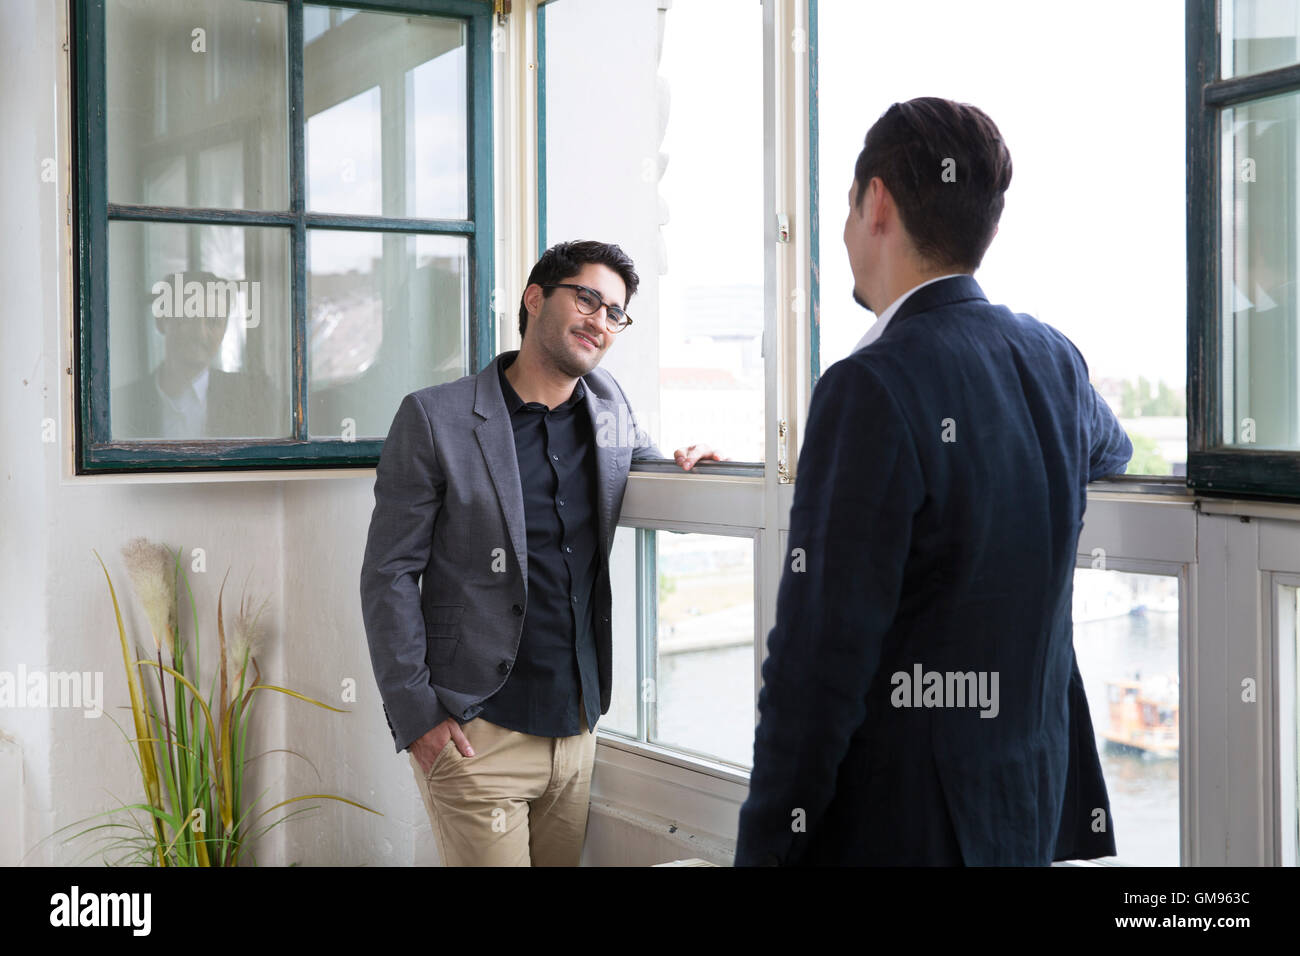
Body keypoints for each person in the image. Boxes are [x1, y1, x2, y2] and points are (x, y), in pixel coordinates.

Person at [734, 97, 1133, 866]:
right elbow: (1106, 450)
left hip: (905, 827)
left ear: (875, 202)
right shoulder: (1053, 358)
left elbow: (817, 666)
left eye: (849, 206)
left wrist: (766, 849)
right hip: (1027, 804)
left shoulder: (870, 385)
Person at [360, 240, 723, 866]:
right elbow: (389, 573)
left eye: (615, 313)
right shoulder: (435, 417)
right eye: (587, 299)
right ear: (535, 299)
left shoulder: (609, 408)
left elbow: (646, 464)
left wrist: (686, 467)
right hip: (479, 733)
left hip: (576, 730)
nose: (600, 322)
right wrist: (417, 717)